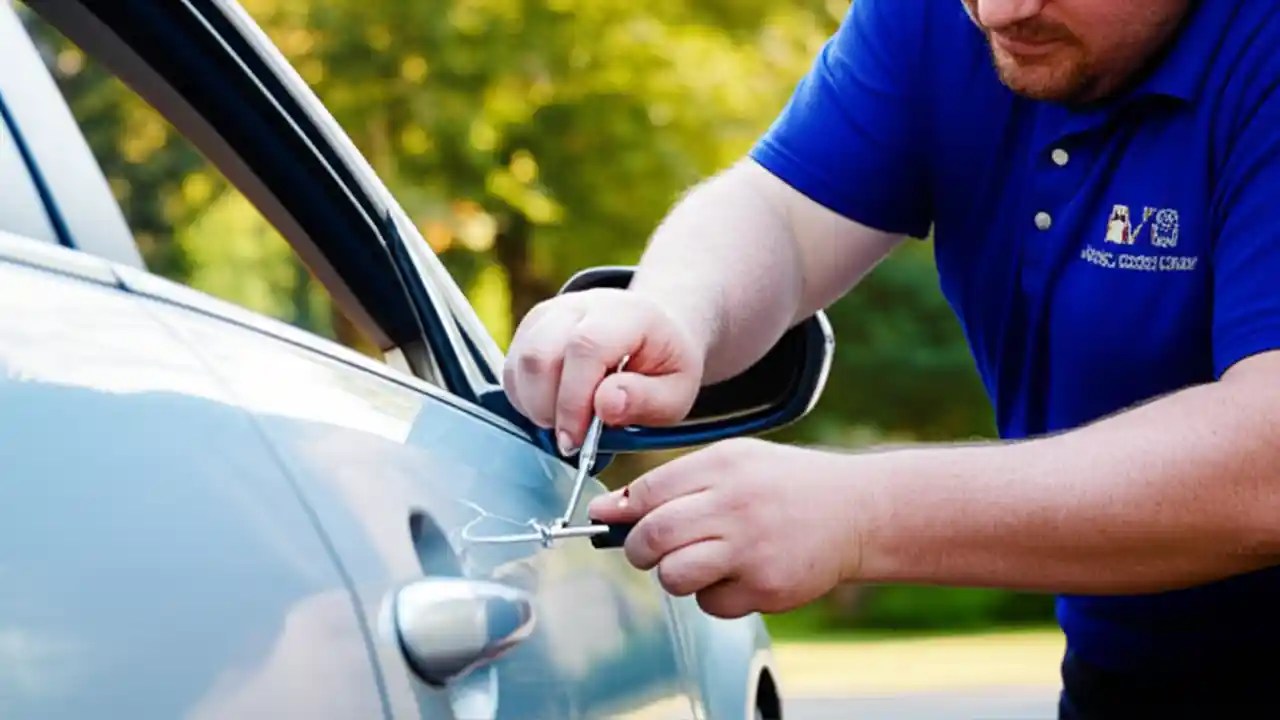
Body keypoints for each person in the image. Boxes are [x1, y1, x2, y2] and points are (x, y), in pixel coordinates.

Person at [500, 1, 1280, 716]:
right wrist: (671, 307)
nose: (1002, 11)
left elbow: (1268, 462)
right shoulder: (943, 19)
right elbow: (780, 216)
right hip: (1128, 677)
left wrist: (858, 514)